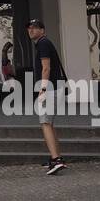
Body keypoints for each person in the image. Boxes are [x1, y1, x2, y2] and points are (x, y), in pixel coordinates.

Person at [26, 18, 68, 176]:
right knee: (49, 123)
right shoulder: (44, 43)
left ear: (42, 30)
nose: (31, 30)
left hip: (50, 89)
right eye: (29, 28)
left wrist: (42, 89)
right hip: (55, 88)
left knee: (45, 123)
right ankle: (57, 157)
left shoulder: (43, 43)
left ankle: (56, 160)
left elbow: (46, 68)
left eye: (35, 28)